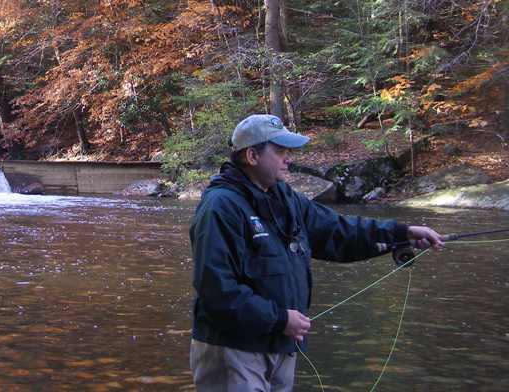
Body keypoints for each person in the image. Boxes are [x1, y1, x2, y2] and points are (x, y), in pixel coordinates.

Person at [189, 114, 444, 392]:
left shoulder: (286, 198)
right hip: (234, 350)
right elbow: (217, 289)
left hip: (281, 345)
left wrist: (399, 233)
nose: (289, 158)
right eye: (281, 151)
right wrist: (281, 319)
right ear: (252, 156)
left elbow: (339, 231)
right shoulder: (220, 207)